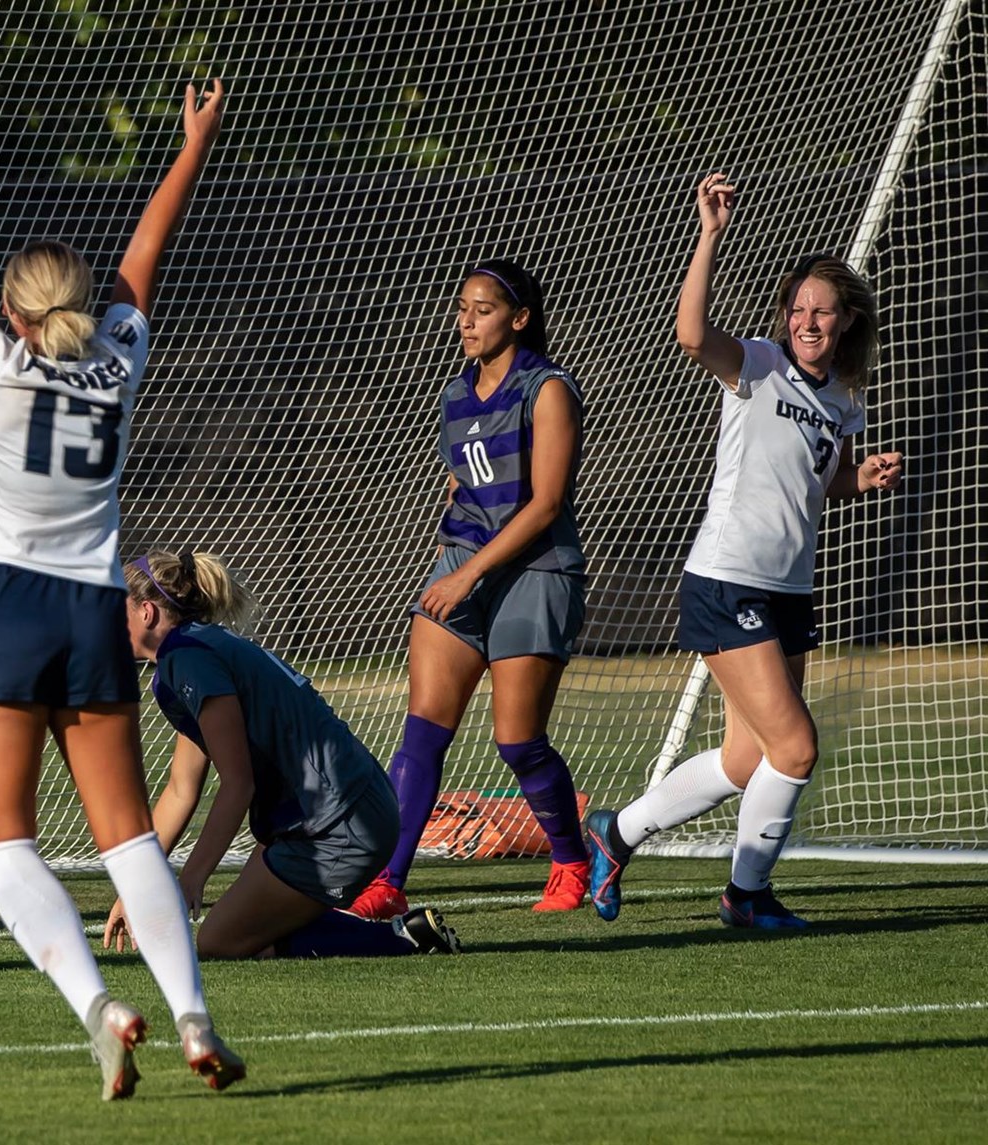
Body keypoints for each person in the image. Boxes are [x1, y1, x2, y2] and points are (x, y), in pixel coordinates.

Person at [0, 69, 242, 1100]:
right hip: (92, 606)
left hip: (4, 603)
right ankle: (192, 1010)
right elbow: (147, 254)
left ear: (17, 311)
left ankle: (100, 1010)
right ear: (82, 304)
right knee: (127, 836)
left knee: (6, 843)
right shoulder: (118, 357)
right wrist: (191, 143)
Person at [584, 173, 903, 929]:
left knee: (743, 760)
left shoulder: (842, 399)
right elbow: (691, 334)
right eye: (798, 308)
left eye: (823, 310)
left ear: (848, 319)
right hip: (727, 580)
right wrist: (710, 234)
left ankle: (616, 832)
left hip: (790, 589)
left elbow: (814, 482)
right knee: (794, 748)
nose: (808, 320)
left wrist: (860, 475)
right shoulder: (756, 363)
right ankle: (746, 896)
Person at [349, 259, 592, 922]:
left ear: (519, 318)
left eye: (482, 309)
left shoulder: (546, 389)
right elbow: (462, 483)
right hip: (463, 564)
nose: (466, 320)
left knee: (517, 742)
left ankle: (574, 857)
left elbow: (544, 505)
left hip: (534, 571)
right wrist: (445, 557)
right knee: (422, 732)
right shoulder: (454, 393)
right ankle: (388, 881)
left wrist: (467, 571)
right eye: (462, 307)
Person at [105, 551, 462, 962]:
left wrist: (190, 881)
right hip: (335, 814)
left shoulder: (189, 658)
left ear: (147, 612)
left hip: (340, 824)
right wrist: (135, 884)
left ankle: (404, 939)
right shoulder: (191, 653)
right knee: (243, 929)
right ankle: (388, 931)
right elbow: (181, 789)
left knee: (220, 942)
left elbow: (238, 786)